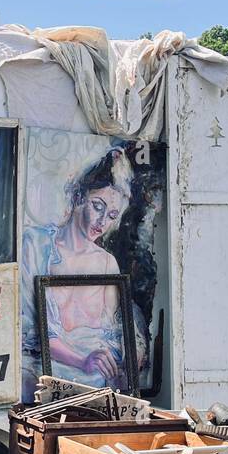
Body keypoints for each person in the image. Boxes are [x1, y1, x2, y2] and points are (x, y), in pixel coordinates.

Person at [22, 146, 135, 389]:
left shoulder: (107, 264)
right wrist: (81, 360)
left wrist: (104, 362)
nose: (102, 222)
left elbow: (115, 337)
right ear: (78, 198)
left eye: (112, 214)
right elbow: (28, 329)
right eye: (98, 206)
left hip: (94, 383)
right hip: (42, 376)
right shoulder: (35, 244)